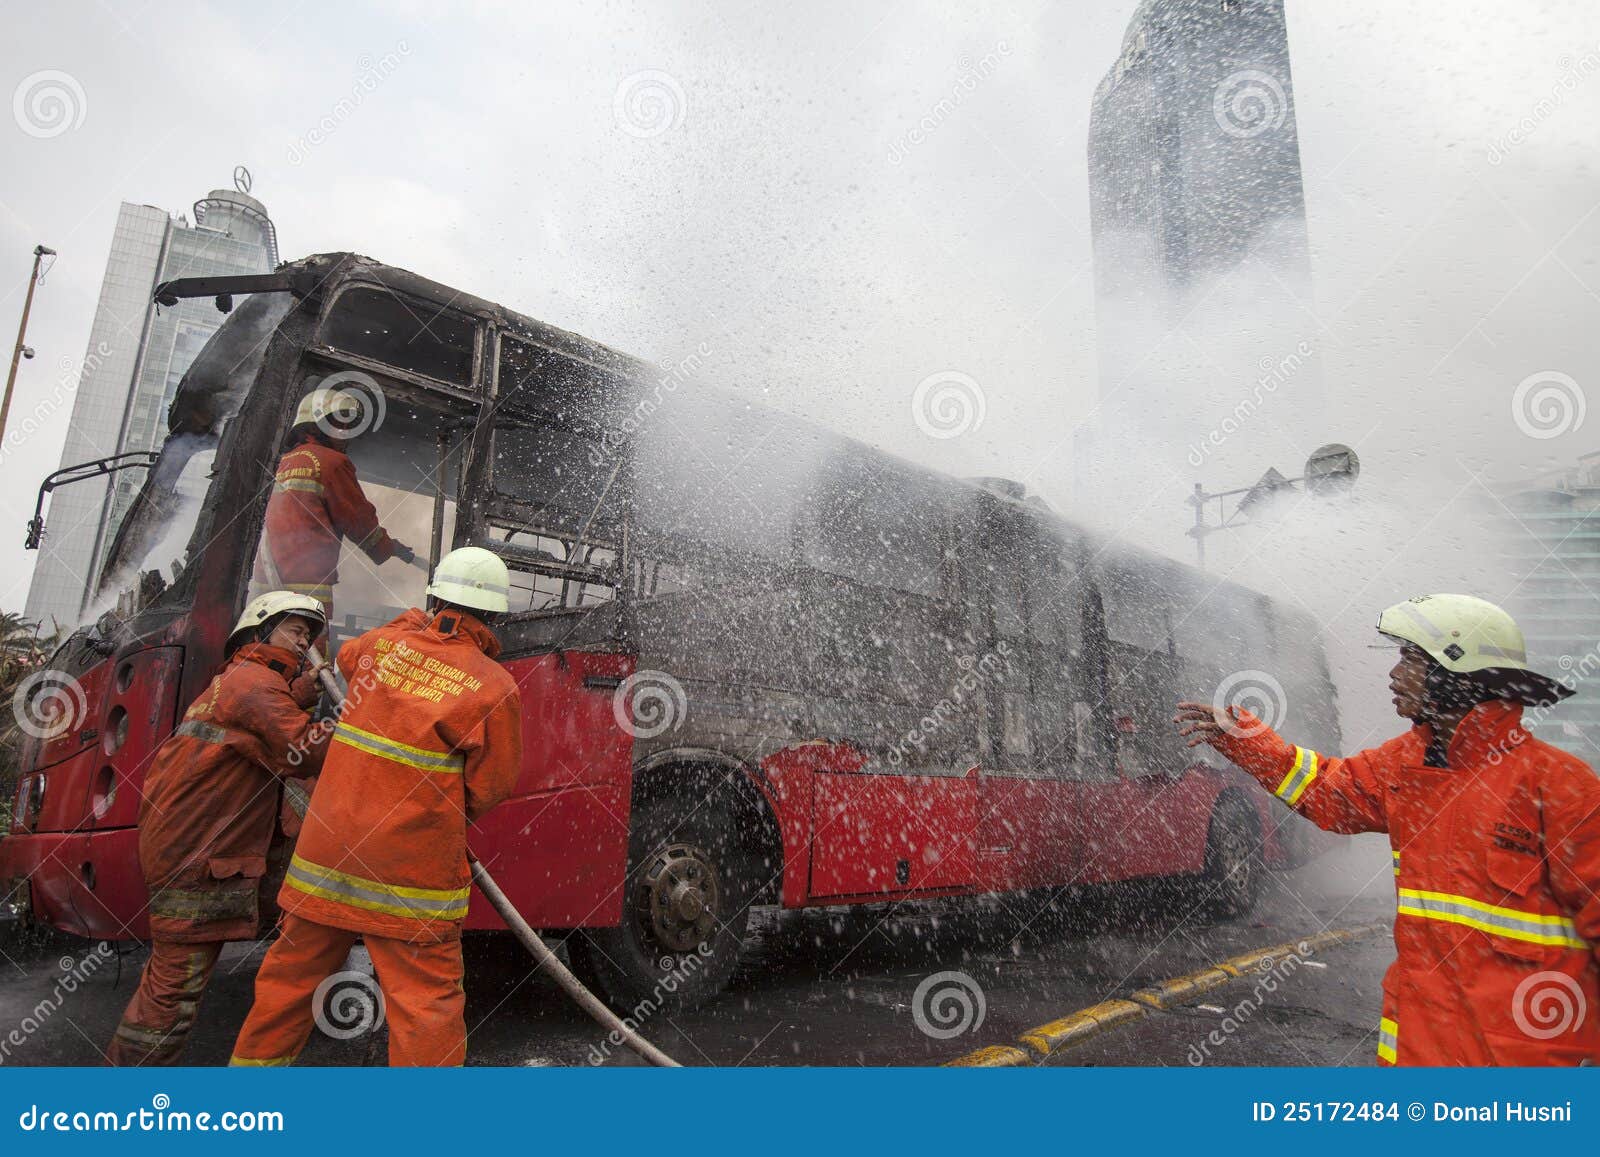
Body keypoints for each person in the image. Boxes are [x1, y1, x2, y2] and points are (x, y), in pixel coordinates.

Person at [1175, 593, 1600, 1066]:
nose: (1395, 675)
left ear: (1456, 671)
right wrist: (1248, 742)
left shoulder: (1560, 787)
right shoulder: (1403, 764)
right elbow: (1329, 792)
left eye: (1410, 659)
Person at [229, 547, 523, 1067]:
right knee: (424, 1006)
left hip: (326, 862)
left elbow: (347, 658)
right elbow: (490, 787)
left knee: (287, 986)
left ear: (434, 598)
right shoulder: (494, 687)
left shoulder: (383, 647)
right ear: (495, 616)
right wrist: (439, 815)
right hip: (410, 877)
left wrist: (415, 623)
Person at [107, 592, 330, 1066]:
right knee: (173, 989)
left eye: (309, 635)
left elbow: (258, 730)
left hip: (188, 849)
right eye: (295, 630)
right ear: (259, 631)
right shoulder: (254, 684)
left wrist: (297, 694)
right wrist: (365, 720)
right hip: (197, 859)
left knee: (171, 979)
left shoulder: (240, 682)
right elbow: (304, 749)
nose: (305, 642)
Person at [262, 387, 416, 621]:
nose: (347, 434)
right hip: (306, 590)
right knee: (303, 643)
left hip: (265, 583)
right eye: (340, 425)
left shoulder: (283, 462)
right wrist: (388, 547)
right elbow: (358, 520)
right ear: (317, 426)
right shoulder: (331, 462)